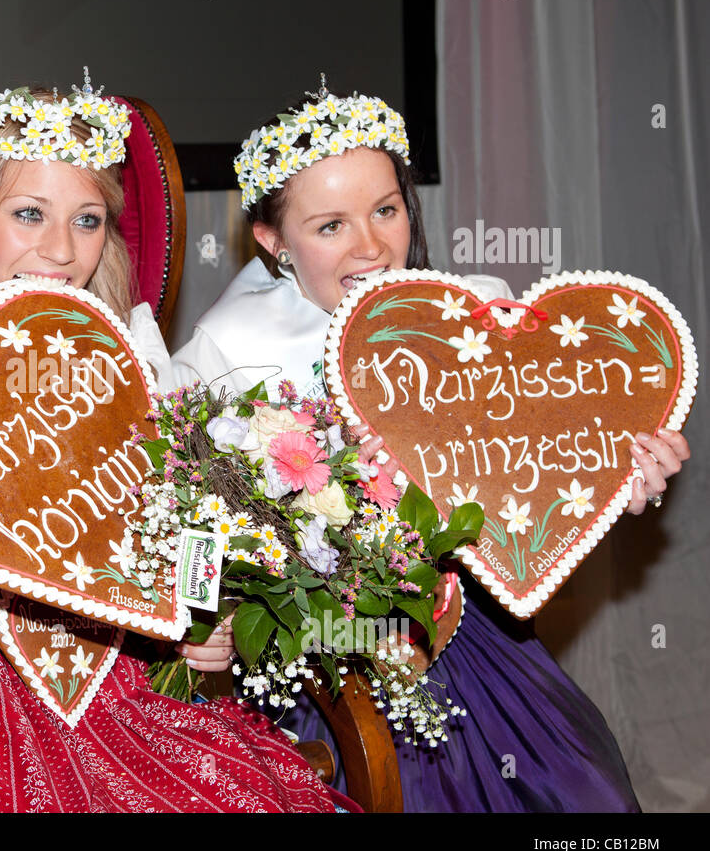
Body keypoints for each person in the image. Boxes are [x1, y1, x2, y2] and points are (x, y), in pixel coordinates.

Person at [0, 82, 351, 812]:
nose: (62, 251)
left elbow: (186, 526)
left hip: (117, 675)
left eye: (88, 220)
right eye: (29, 214)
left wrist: (204, 623)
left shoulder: (125, 349)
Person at [174, 82, 689, 811]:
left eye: (386, 210)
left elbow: (539, 467)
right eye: (330, 226)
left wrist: (617, 476)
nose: (372, 245)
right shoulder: (228, 354)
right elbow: (179, 517)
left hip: (472, 639)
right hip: (318, 668)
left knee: (579, 791)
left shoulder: (473, 319)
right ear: (271, 240)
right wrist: (197, 620)